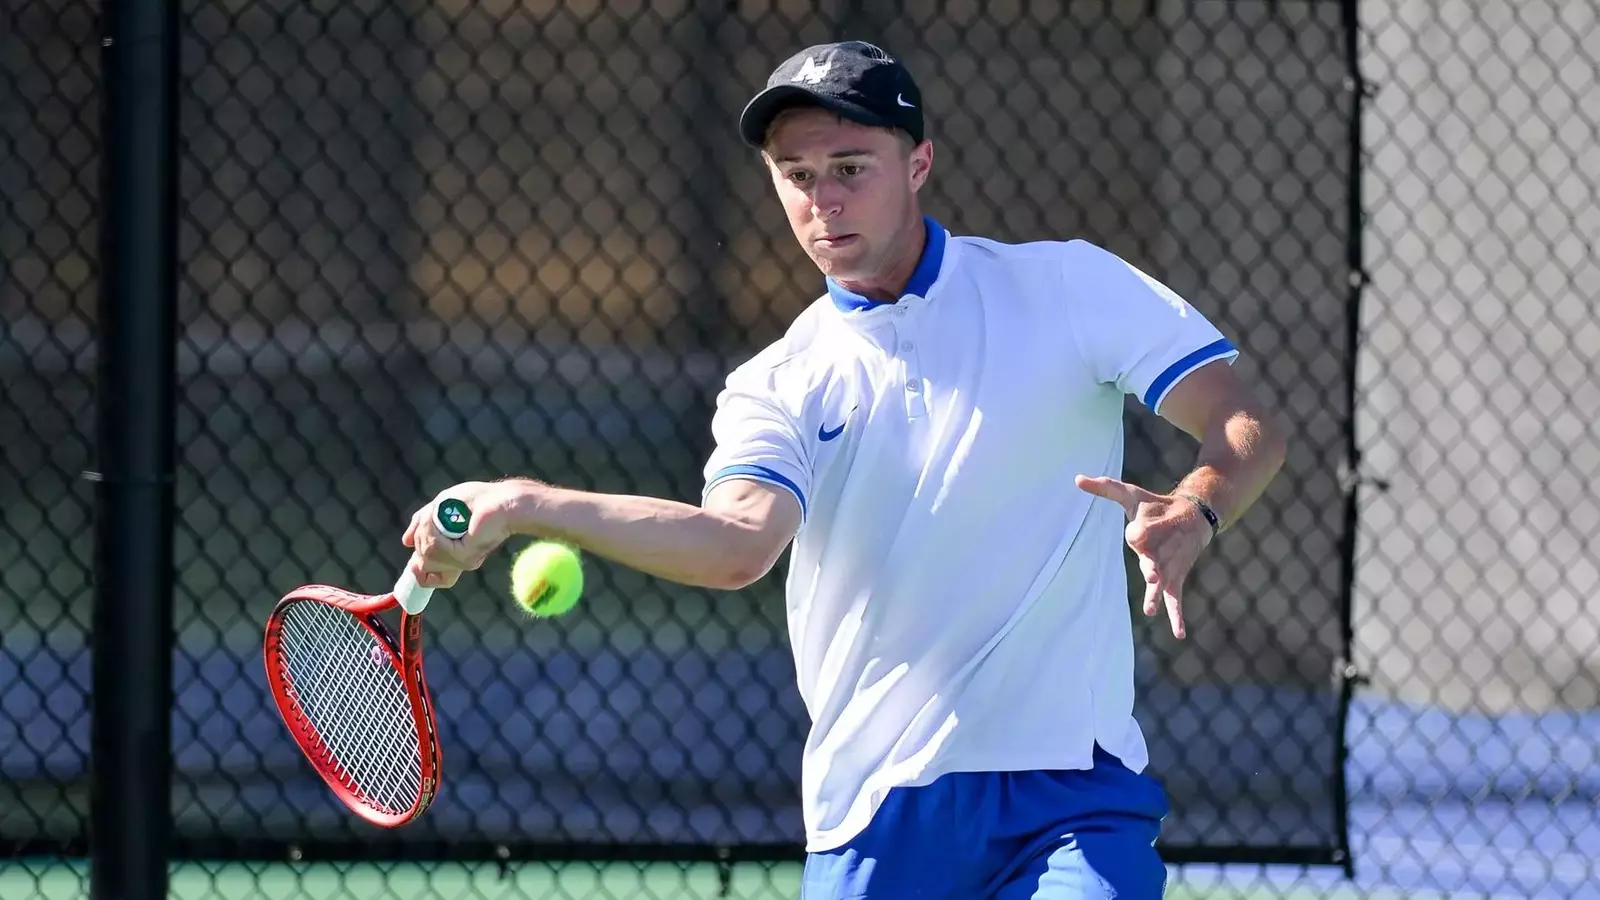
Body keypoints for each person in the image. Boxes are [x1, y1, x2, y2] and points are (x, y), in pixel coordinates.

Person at [402, 40, 1288, 900]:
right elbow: (737, 544)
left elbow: (1243, 419)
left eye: (851, 167)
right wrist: (525, 504)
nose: (823, 198)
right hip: (875, 810)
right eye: (797, 174)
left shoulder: (1067, 288)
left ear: (919, 164)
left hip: (1071, 786)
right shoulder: (777, 383)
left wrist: (1196, 507)